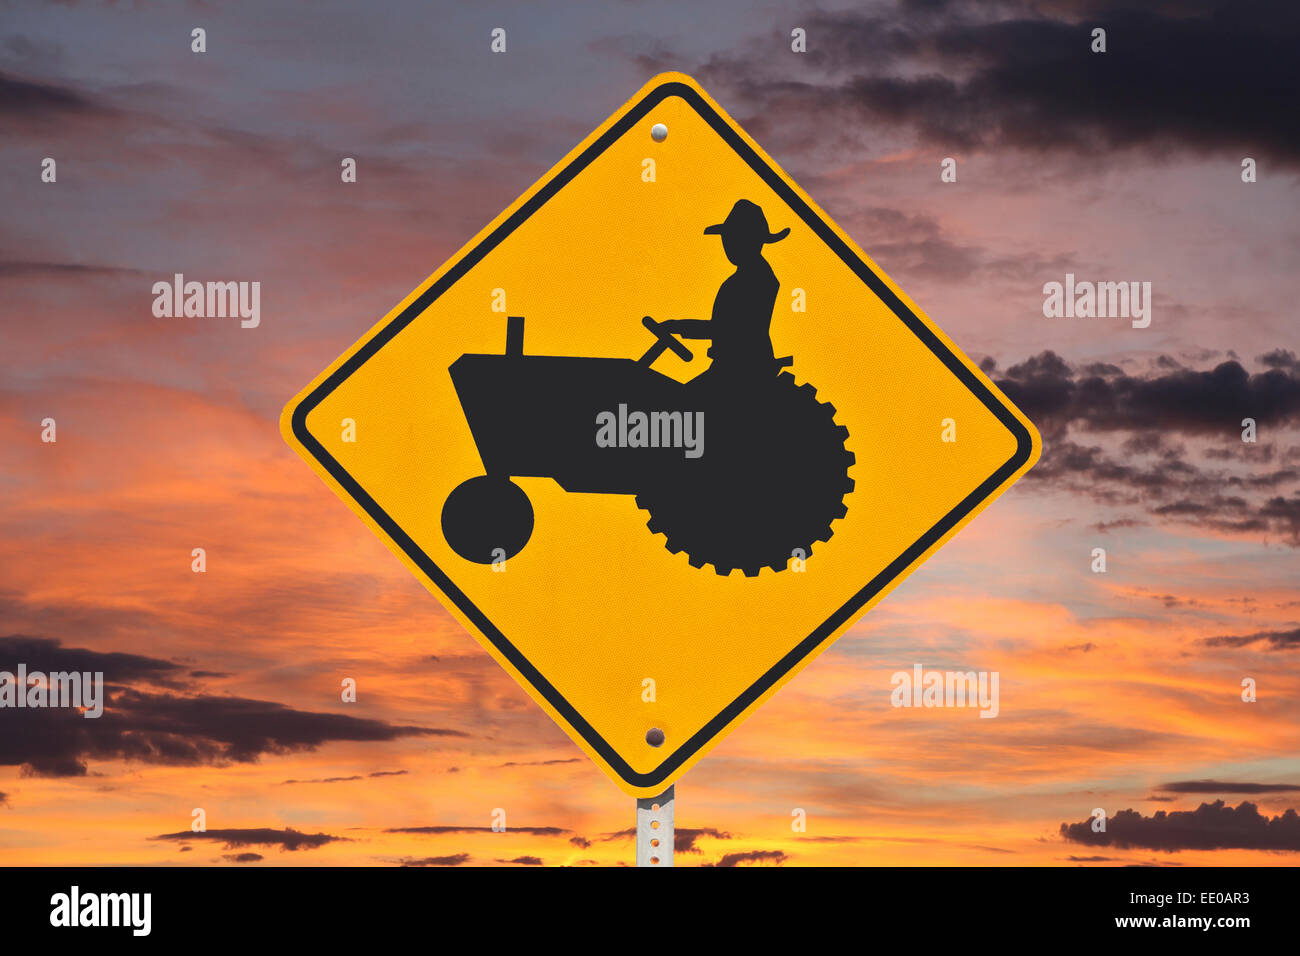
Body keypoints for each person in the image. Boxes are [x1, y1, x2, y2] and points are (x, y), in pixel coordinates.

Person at [660, 199, 790, 385]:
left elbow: (730, 329)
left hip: (741, 369)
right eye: (726, 238)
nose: (727, 245)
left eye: (734, 238)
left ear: (752, 241)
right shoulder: (749, 276)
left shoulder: (754, 280)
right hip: (734, 365)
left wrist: (679, 326)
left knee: (683, 408)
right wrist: (678, 326)